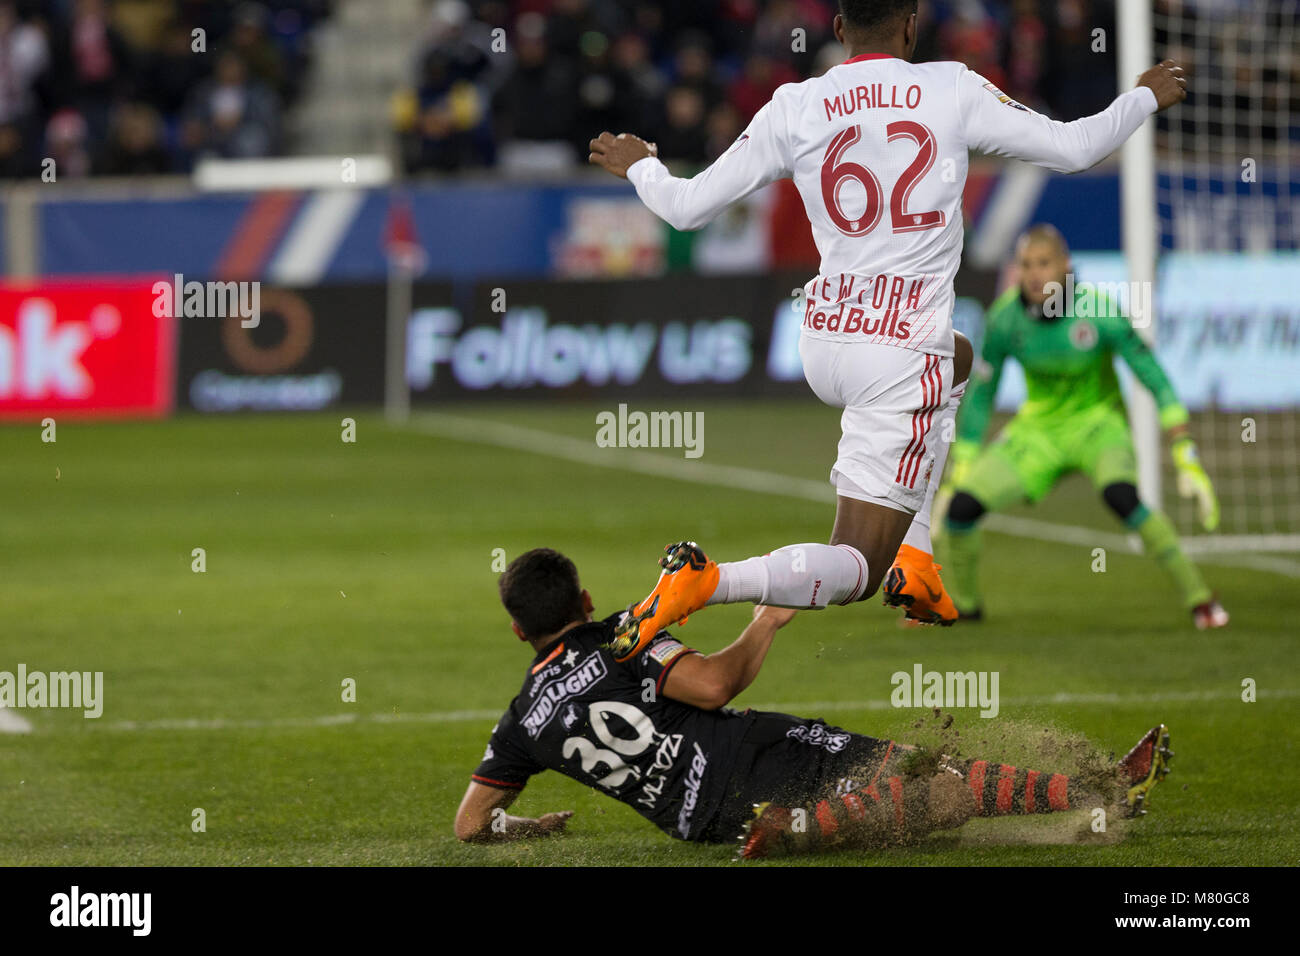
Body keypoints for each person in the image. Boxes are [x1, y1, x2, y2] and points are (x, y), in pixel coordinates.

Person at [587, 0, 1188, 657]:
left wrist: (641, 163)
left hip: (822, 341)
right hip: (900, 352)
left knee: (961, 358)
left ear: (840, 29)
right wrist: (1141, 100)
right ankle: (710, 581)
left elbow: (687, 207)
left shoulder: (796, 104)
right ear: (911, 25)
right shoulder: (950, 87)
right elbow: (1074, 148)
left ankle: (919, 553)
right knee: (856, 567)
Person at [454, 549, 1174, 858]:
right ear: (582, 599)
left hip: (701, 824)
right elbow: (711, 687)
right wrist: (765, 620)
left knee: (920, 797)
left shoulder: (522, 720)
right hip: (751, 753)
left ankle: (800, 826)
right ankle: (1100, 788)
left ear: (520, 631)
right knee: (929, 777)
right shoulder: (619, 635)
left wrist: (528, 829)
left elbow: (469, 826)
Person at [941, 224, 1228, 628]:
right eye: (1026, 264)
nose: (1035, 273)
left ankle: (1200, 599)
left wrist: (1184, 448)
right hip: (1038, 432)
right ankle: (966, 610)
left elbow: (1153, 377)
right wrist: (963, 464)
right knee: (961, 509)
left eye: (1044, 263)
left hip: (1098, 426)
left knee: (1122, 496)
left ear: (1065, 266)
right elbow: (983, 392)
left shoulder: (1099, 311)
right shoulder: (1005, 319)